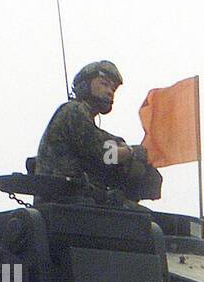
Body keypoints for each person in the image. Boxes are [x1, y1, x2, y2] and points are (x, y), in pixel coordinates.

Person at [34, 60, 159, 204]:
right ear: (85, 86)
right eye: (104, 84)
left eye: (113, 89)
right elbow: (105, 155)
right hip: (66, 201)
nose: (109, 92)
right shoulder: (74, 111)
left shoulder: (84, 118)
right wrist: (132, 152)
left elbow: (100, 143)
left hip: (74, 200)